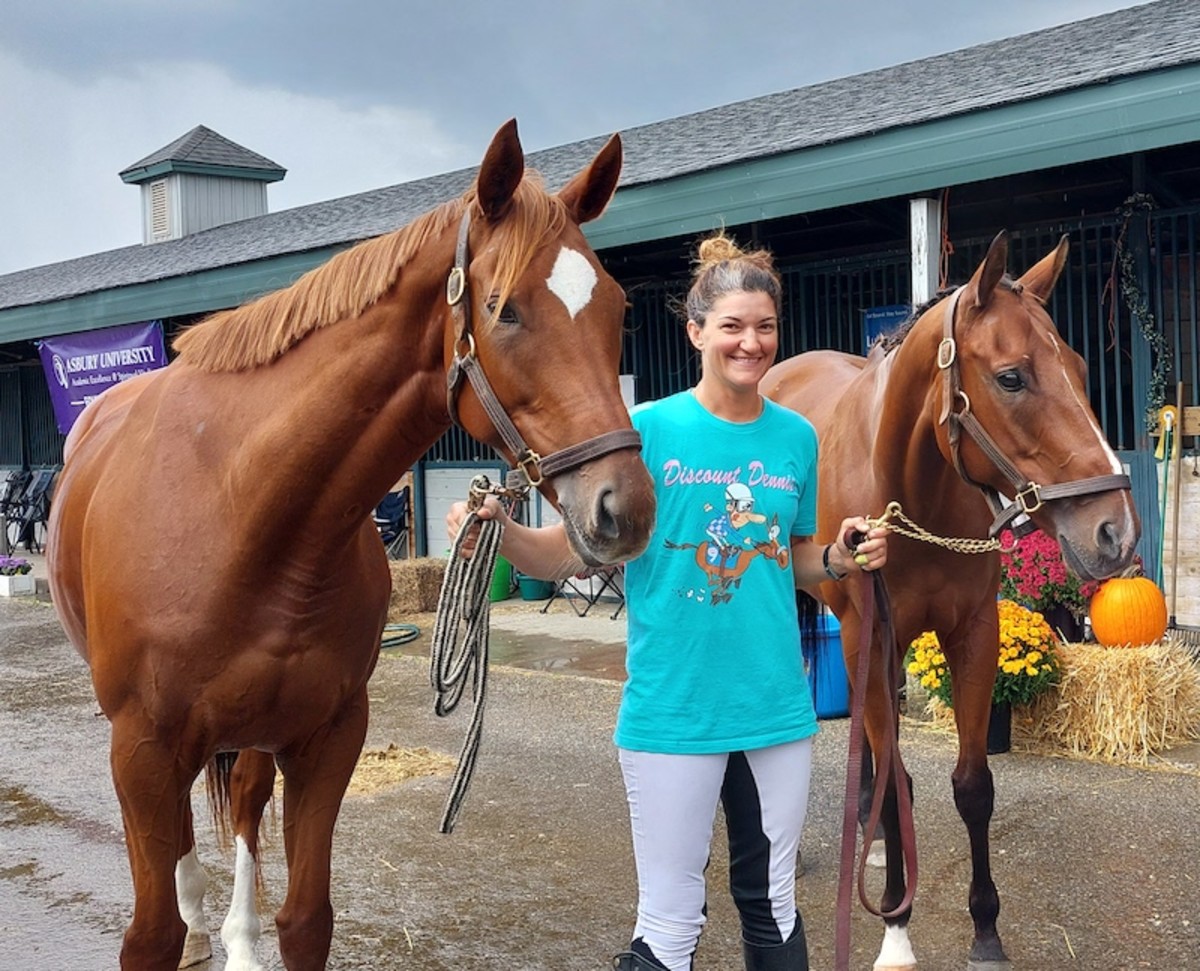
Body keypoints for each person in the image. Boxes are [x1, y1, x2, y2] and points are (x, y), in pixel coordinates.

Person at [447, 232, 887, 971]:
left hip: (774, 708)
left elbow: (792, 558)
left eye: (765, 327)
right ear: (696, 332)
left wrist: (840, 557)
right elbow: (573, 552)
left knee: (774, 905)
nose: (751, 342)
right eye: (733, 326)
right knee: (672, 919)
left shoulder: (797, 439)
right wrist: (504, 536)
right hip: (674, 711)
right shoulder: (646, 430)